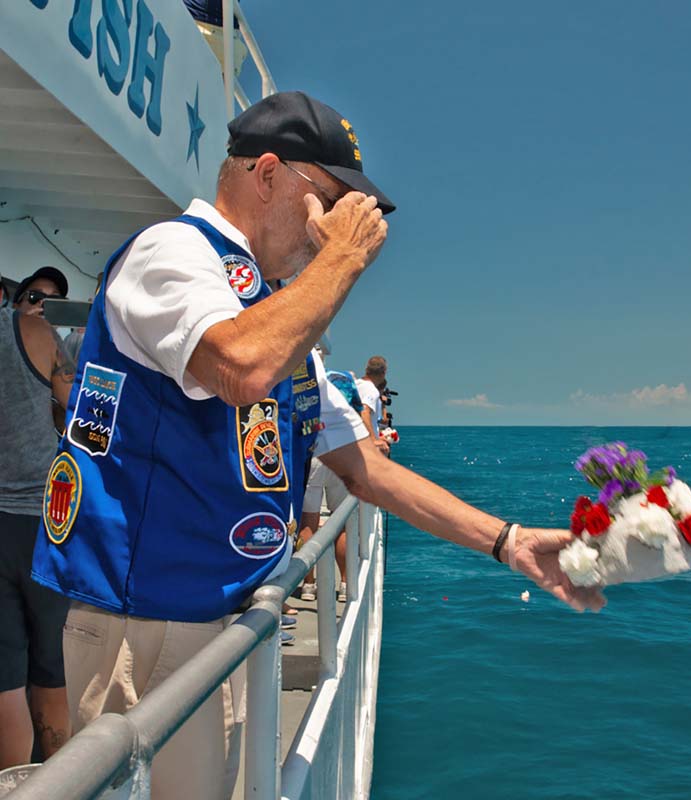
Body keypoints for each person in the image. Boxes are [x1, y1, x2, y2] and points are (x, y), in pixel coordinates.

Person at [31, 91, 602, 800]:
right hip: (145, 627)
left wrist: (506, 540)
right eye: (329, 200)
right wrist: (343, 263)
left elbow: (365, 469)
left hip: (217, 622)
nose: (333, 227)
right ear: (268, 174)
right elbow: (237, 367)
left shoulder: (270, 310)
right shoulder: (173, 251)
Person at [0, 286, 75, 768]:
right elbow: (80, 411)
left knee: (5, 680)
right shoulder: (35, 332)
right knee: (51, 666)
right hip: (40, 525)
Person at [298, 367, 364, 602]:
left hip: (314, 453)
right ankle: (345, 584)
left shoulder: (309, 385)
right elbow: (359, 412)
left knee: (308, 522)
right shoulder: (346, 383)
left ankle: (308, 585)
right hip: (341, 452)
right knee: (342, 523)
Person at [355, 355, 389, 455]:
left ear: (367, 369)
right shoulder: (372, 390)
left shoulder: (357, 384)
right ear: (384, 372)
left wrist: (377, 436)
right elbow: (364, 411)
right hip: (364, 446)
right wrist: (374, 440)